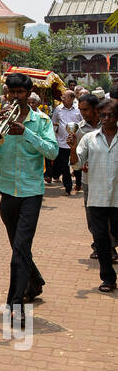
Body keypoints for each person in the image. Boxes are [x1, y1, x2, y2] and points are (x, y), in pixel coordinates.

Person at [0, 71, 58, 318]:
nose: (15, 97)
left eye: (20, 92)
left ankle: (15, 302)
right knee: (18, 247)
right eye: (11, 92)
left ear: (28, 93)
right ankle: (35, 282)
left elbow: (53, 152)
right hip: (6, 192)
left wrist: (26, 133)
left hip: (31, 191)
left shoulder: (41, 121)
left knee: (21, 246)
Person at [73, 99, 118, 292]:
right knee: (100, 239)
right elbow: (76, 164)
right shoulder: (89, 139)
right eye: (103, 115)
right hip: (97, 197)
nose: (106, 119)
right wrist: (72, 148)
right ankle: (108, 278)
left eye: (110, 115)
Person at [68, 93, 115, 261]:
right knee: (93, 217)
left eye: (85, 109)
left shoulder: (111, 125)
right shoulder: (79, 129)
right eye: (80, 109)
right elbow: (78, 156)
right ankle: (101, 245)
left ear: (96, 109)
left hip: (113, 180)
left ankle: (109, 244)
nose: (82, 113)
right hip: (90, 180)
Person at [52, 89, 84, 195]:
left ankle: (78, 183)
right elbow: (54, 122)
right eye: (62, 97)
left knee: (77, 164)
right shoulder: (58, 109)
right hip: (62, 142)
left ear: (72, 98)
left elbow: (83, 123)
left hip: (77, 142)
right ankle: (68, 187)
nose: (62, 99)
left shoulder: (78, 110)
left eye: (65, 97)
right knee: (64, 166)